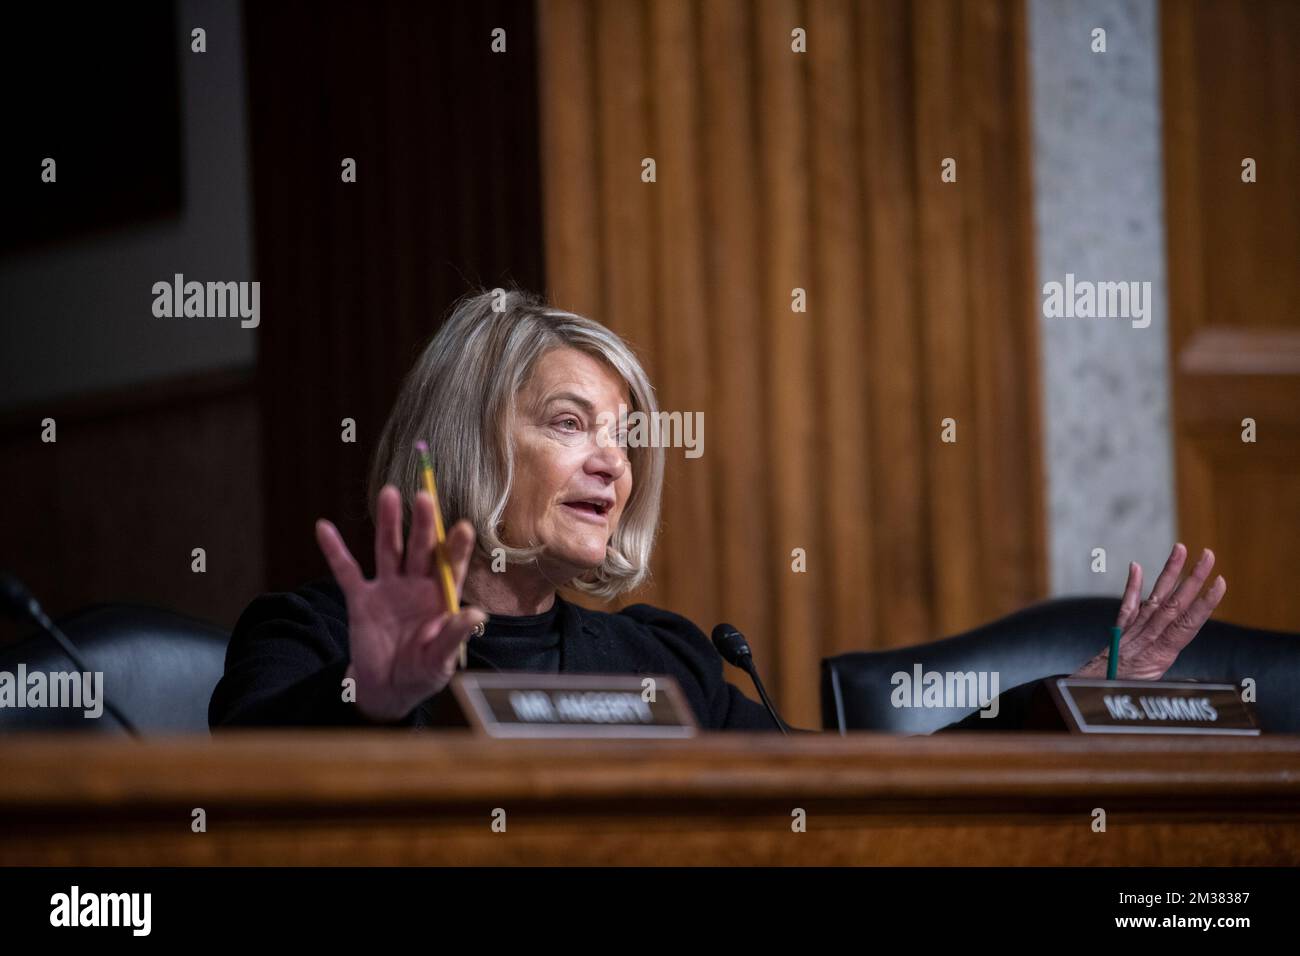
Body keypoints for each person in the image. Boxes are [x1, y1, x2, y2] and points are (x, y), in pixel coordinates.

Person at [209, 289, 1226, 733]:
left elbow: (851, 799)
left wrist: (1070, 701)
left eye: (625, 434)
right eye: (571, 422)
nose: (614, 460)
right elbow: (240, 795)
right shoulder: (309, 638)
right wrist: (369, 699)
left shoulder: (667, 658)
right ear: (471, 437)